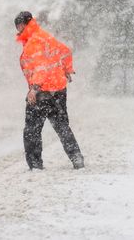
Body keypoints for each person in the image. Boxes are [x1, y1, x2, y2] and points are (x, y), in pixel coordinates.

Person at [15, 11, 84, 170]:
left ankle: (35, 166)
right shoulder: (46, 37)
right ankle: (77, 158)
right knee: (62, 126)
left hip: (42, 92)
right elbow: (66, 50)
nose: (18, 30)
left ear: (25, 24)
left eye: (19, 26)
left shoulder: (33, 42)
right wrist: (67, 69)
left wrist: (34, 88)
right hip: (59, 90)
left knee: (31, 131)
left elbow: (41, 67)